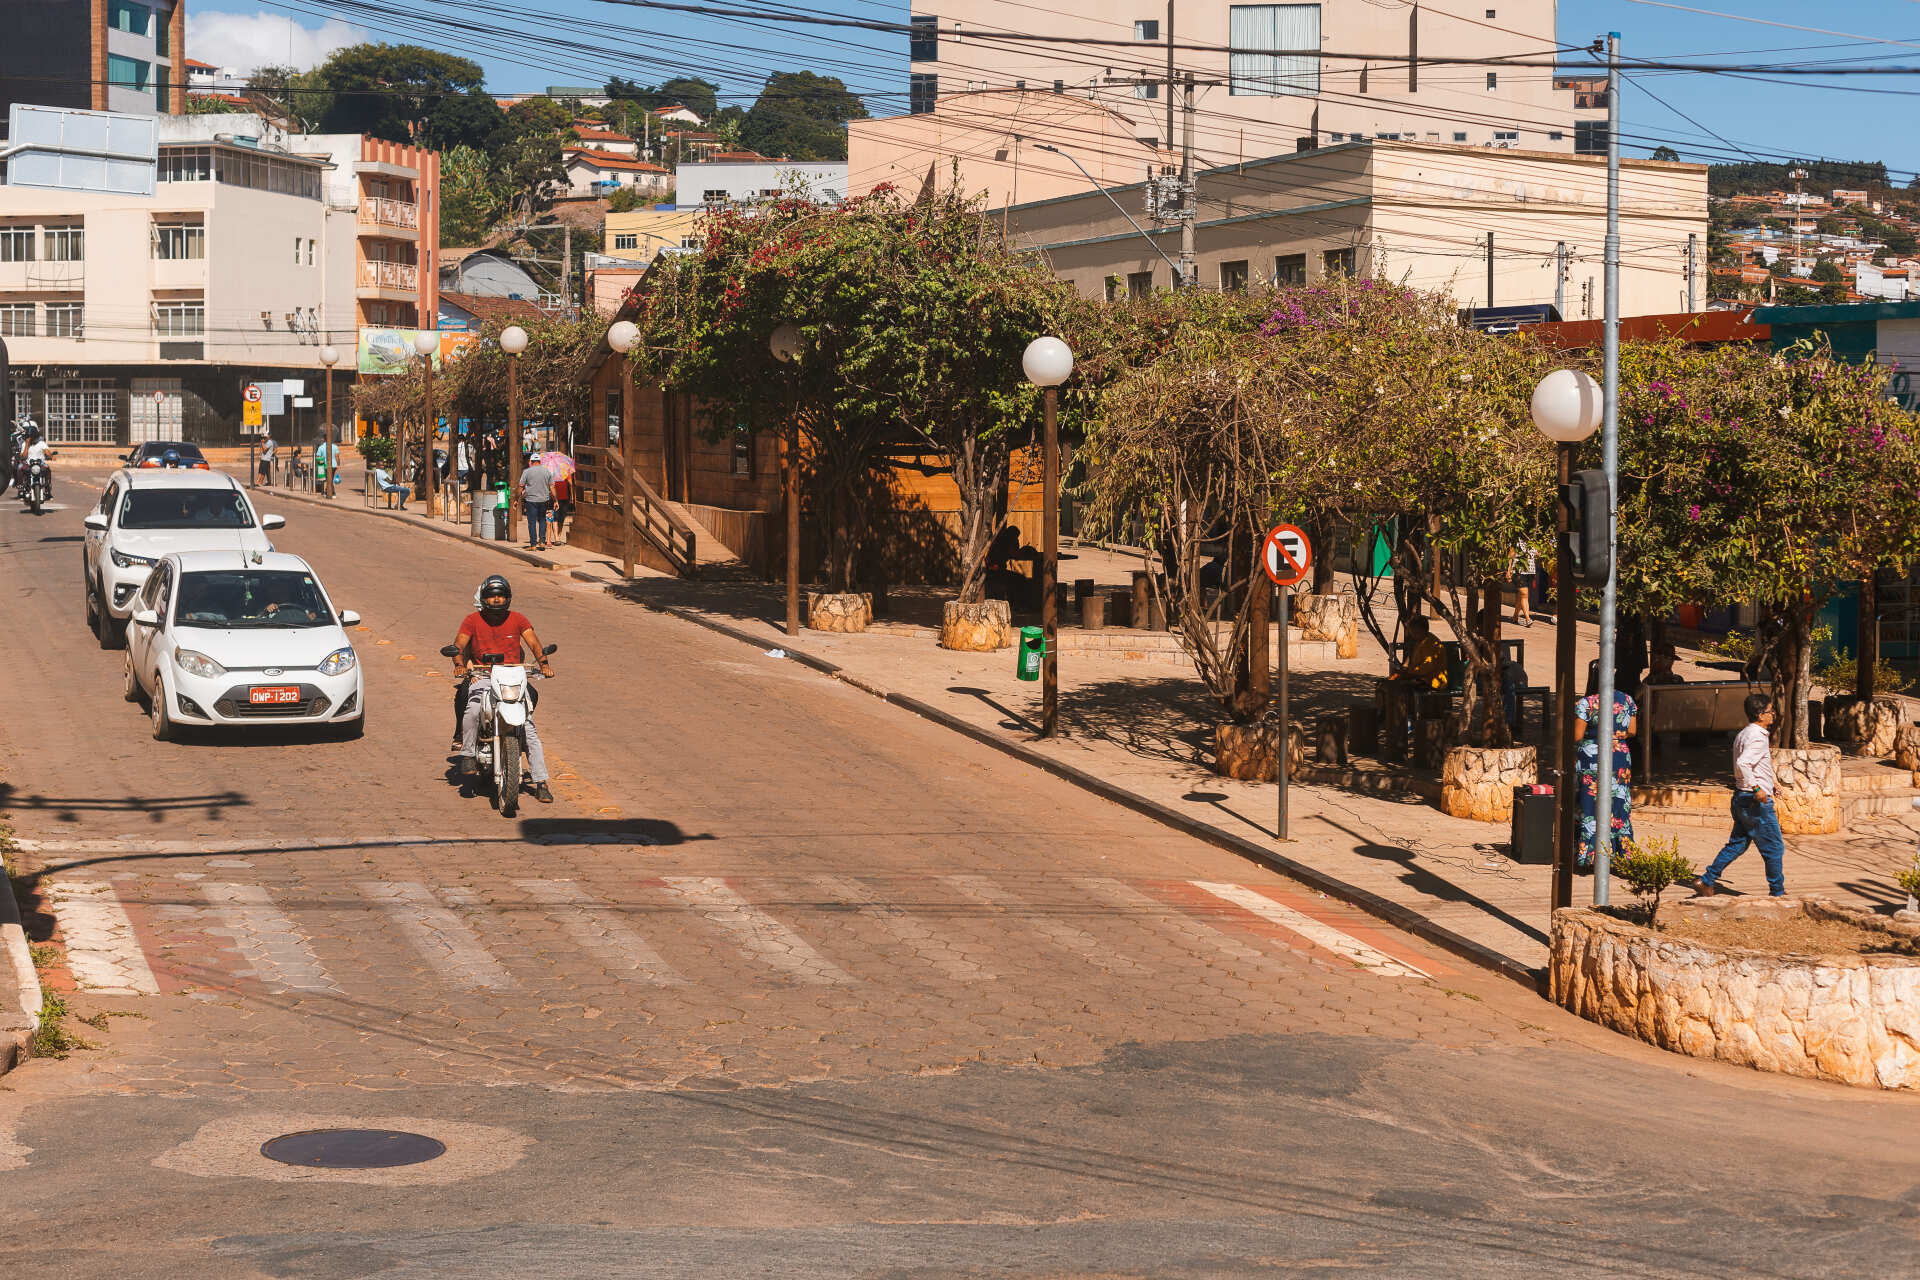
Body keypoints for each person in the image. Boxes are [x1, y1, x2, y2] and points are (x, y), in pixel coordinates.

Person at [450, 575, 554, 804]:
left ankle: (541, 782)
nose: (496, 600)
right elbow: (458, 645)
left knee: (529, 728)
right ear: (485, 599)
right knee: (473, 710)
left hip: (514, 676)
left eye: (501, 596)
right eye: (491, 596)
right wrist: (459, 665)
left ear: (507, 598)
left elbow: (534, 642)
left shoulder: (518, 619)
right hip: (484, 675)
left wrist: (544, 664)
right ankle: (467, 754)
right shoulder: (471, 620)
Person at [1693, 693, 1787, 898]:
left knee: (1738, 843)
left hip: (1741, 798)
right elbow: (1744, 763)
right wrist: (1758, 789)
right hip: (1753, 801)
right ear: (1760, 714)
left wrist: (1773, 783)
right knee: (1774, 848)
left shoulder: (1745, 733)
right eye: (1771, 711)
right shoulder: (1757, 736)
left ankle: (1706, 880)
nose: (1773, 714)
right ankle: (1777, 893)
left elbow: (1758, 764)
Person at [1575, 659, 1638, 873]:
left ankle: (1590, 856)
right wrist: (1615, 735)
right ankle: (1624, 856)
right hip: (1619, 757)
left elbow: (1577, 735)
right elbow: (1633, 731)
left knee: (1590, 806)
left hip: (1592, 757)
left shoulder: (1587, 703)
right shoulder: (1627, 700)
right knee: (1619, 806)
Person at [983, 523, 1042, 609]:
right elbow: (1015, 554)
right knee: (1020, 580)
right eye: (1016, 537)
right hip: (995, 572)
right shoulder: (1004, 544)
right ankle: (1018, 604)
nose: (1017, 539)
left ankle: (1017, 603)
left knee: (1019, 579)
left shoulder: (1000, 542)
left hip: (995, 571)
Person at [519, 452, 554, 551]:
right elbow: (552, 488)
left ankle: (533, 544)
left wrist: (517, 499)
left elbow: (521, 486)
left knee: (532, 522)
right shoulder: (547, 472)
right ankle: (542, 542)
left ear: (531, 461)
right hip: (544, 500)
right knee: (542, 520)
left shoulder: (526, 472)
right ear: (539, 461)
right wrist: (555, 500)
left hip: (531, 500)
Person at [1508, 541, 1536, 627]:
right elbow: (1510, 556)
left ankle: (1515, 617)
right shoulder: (1516, 539)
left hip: (1530, 571)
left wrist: (1538, 554)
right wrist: (1508, 571)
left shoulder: (1532, 541)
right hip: (1518, 571)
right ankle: (1528, 619)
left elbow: (1536, 555)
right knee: (1524, 594)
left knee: (1522, 595)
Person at [549, 467, 573, 546]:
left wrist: (572, 496)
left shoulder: (566, 471)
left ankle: (558, 536)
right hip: (555, 498)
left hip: (565, 498)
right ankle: (556, 538)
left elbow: (570, 484)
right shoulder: (551, 472)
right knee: (555, 518)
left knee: (561, 518)